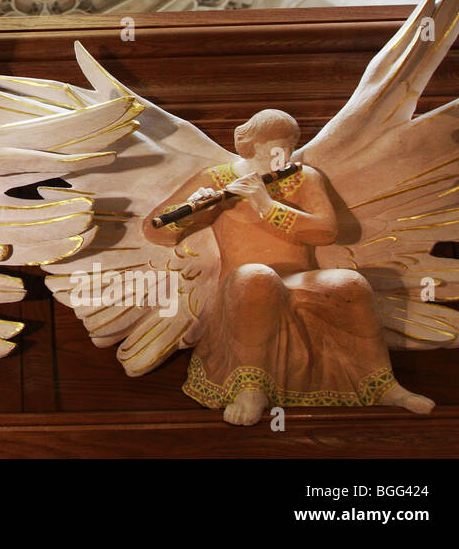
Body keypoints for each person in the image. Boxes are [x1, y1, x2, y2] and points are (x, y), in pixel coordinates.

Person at [142, 109, 434, 425]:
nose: (282, 156)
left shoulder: (305, 177)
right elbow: (153, 230)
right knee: (258, 276)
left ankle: (382, 384)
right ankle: (250, 387)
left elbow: (326, 231)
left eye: (288, 148)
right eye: (273, 149)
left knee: (351, 283)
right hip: (240, 285)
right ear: (249, 146)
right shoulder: (215, 179)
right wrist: (190, 211)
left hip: (299, 279)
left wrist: (266, 205)